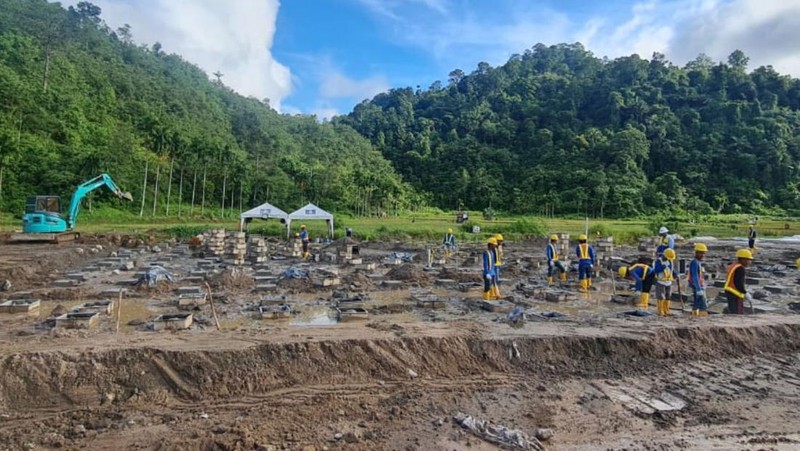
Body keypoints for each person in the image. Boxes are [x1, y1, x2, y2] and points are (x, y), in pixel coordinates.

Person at [723, 249, 754, 314]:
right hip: (735, 293)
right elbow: (738, 283)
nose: (749, 262)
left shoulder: (733, 265)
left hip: (729, 290)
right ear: (743, 259)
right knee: (737, 312)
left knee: (733, 310)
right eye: (748, 260)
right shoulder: (740, 268)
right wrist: (745, 293)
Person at [653, 248, 678, 316]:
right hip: (660, 281)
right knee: (661, 296)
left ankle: (666, 310)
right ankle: (660, 310)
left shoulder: (670, 261)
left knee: (668, 296)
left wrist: (675, 274)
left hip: (668, 282)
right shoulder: (658, 261)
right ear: (664, 255)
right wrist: (663, 267)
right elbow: (656, 270)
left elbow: (672, 269)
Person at [689, 243, 709, 317]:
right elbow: (695, 276)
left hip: (699, 286)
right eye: (701, 253)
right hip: (697, 287)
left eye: (703, 253)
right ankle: (702, 317)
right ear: (696, 252)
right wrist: (698, 289)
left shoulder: (698, 262)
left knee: (697, 303)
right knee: (703, 305)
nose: (702, 255)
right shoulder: (695, 263)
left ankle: (694, 316)